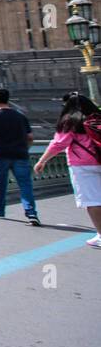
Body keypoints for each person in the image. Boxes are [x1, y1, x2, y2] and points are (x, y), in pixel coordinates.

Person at [34, 92, 101, 247]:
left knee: (92, 201)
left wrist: (42, 160)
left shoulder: (70, 121)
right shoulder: (97, 117)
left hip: (83, 165)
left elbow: (59, 144)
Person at [0, 88, 40, 224]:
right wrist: (25, 149)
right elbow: (30, 137)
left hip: (0, 154)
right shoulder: (20, 116)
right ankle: (31, 214)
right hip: (20, 154)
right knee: (25, 185)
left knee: (0, 184)